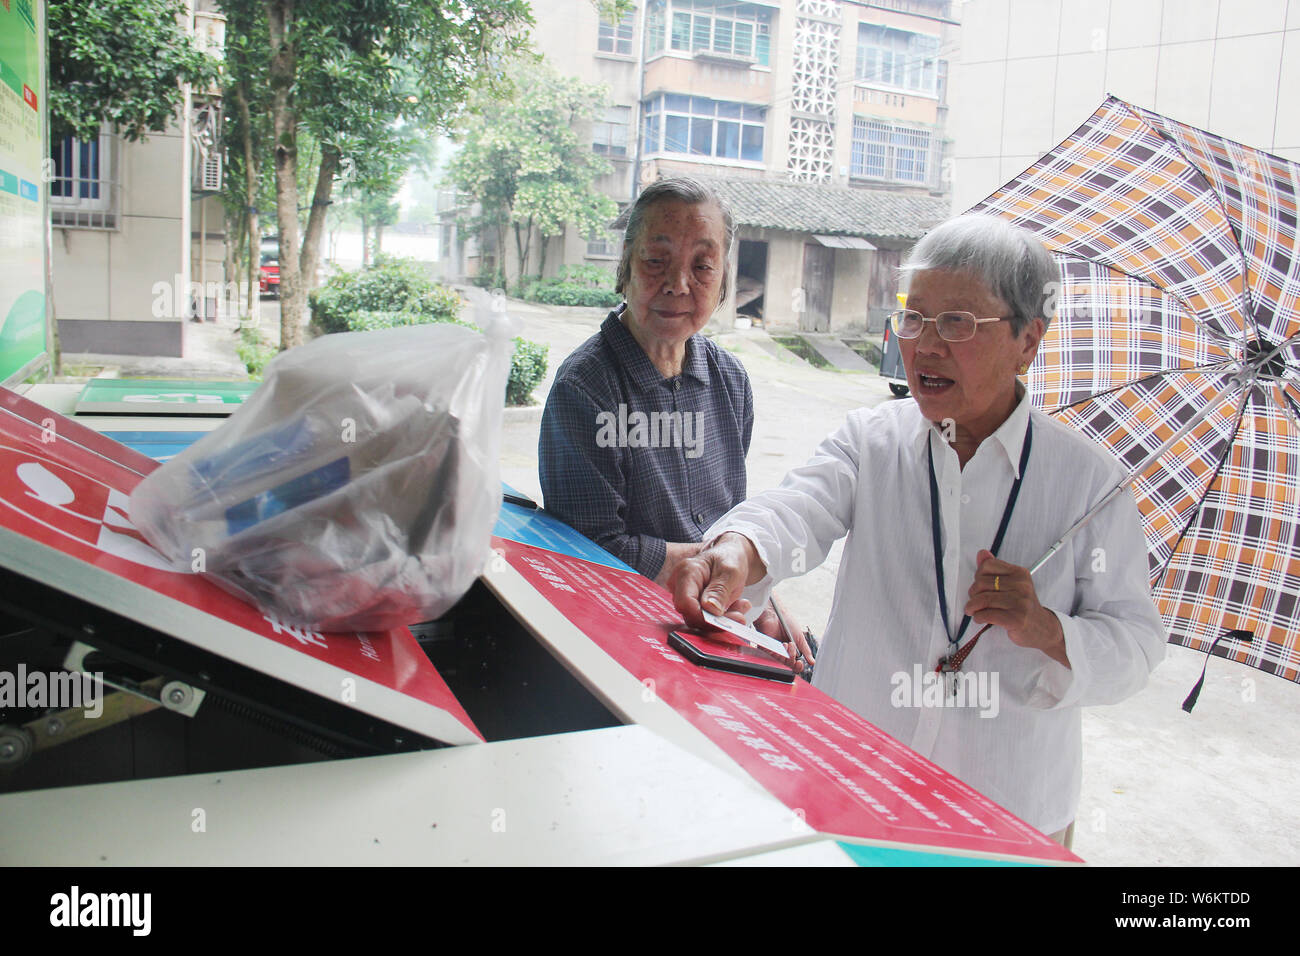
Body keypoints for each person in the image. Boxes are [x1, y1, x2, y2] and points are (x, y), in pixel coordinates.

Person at [670, 214, 1167, 844]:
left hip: (1007, 811)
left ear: (1027, 340)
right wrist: (738, 550)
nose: (925, 344)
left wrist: (1045, 627)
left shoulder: (1089, 485)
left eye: (958, 322)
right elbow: (799, 506)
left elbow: (1136, 645)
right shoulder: (872, 441)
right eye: (913, 316)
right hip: (852, 780)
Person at [539, 177, 754, 589]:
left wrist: (757, 593)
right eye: (657, 260)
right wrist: (727, 564)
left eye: (702, 266)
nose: (678, 283)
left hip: (717, 606)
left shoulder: (731, 382)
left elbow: (732, 520)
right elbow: (591, 551)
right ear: (627, 262)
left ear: (723, 274)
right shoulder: (584, 390)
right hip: (625, 619)